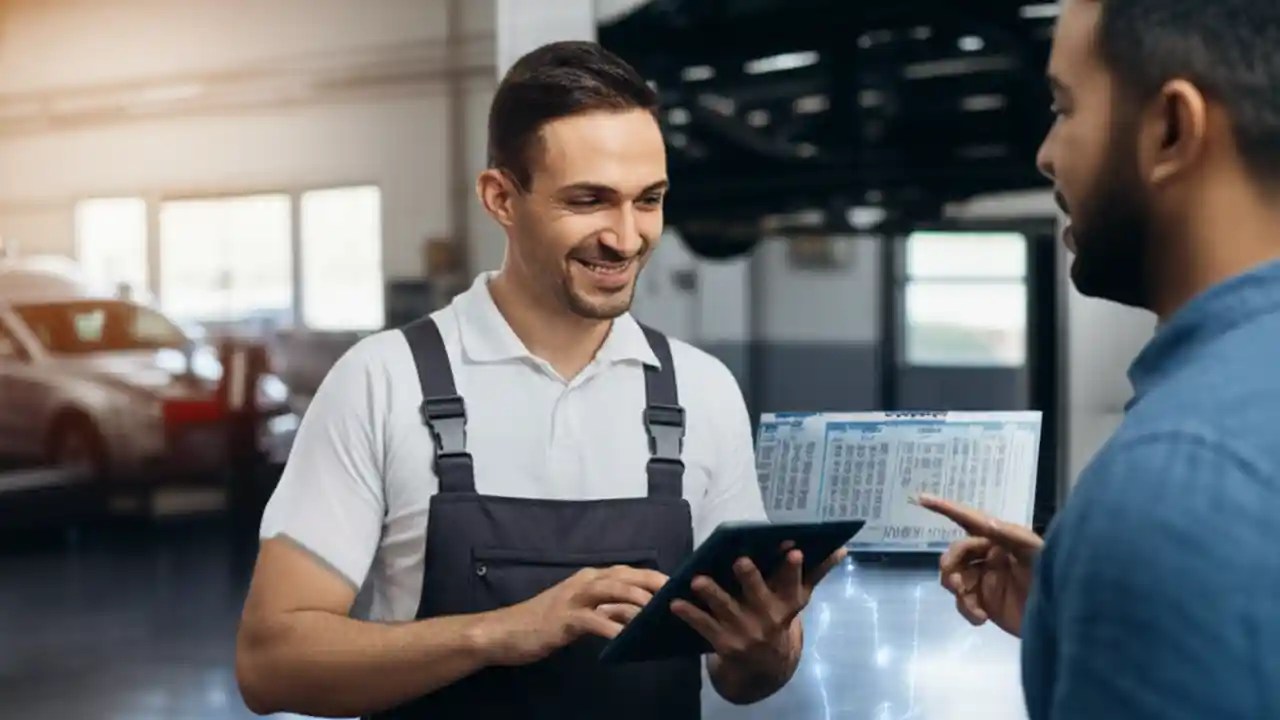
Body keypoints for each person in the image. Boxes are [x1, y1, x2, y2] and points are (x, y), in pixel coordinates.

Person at [235, 41, 841, 720]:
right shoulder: (383, 382)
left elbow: (742, 680)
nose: (625, 237)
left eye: (649, 200)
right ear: (500, 196)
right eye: (589, 201)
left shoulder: (701, 392)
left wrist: (766, 647)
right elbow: (271, 663)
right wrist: (500, 632)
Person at [919, 0, 1280, 718]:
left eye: (1065, 107)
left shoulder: (1174, 484)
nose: (1046, 153)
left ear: (1171, 129)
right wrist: (1080, 604)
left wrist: (1134, 561)